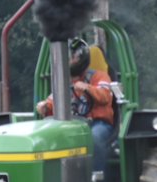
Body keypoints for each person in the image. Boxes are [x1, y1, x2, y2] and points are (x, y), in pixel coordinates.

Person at [36, 38, 114, 175]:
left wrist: (87, 88)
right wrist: (45, 107)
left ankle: (96, 177)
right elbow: (52, 101)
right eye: (68, 57)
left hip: (97, 123)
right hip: (72, 125)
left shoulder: (100, 76)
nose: (70, 61)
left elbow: (105, 96)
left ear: (82, 57)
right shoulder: (64, 81)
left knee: (94, 138)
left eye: (74, 57)